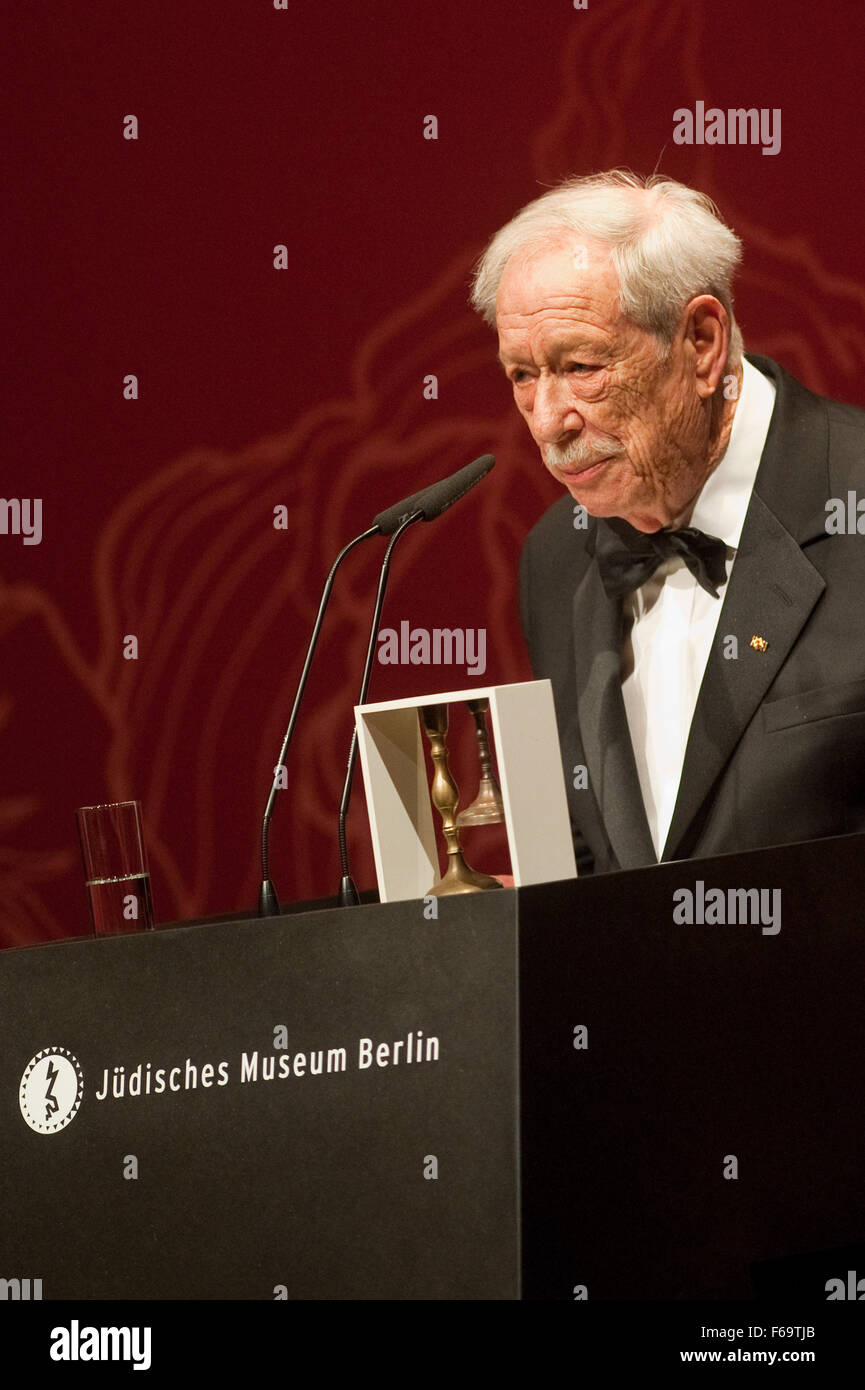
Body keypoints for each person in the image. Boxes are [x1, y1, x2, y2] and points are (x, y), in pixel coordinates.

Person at [471, 170, 865, 873]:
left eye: (581, 365)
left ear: (702, 342)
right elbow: (597, 860)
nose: (546, 423)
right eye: (521, 375)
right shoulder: (555, 557)